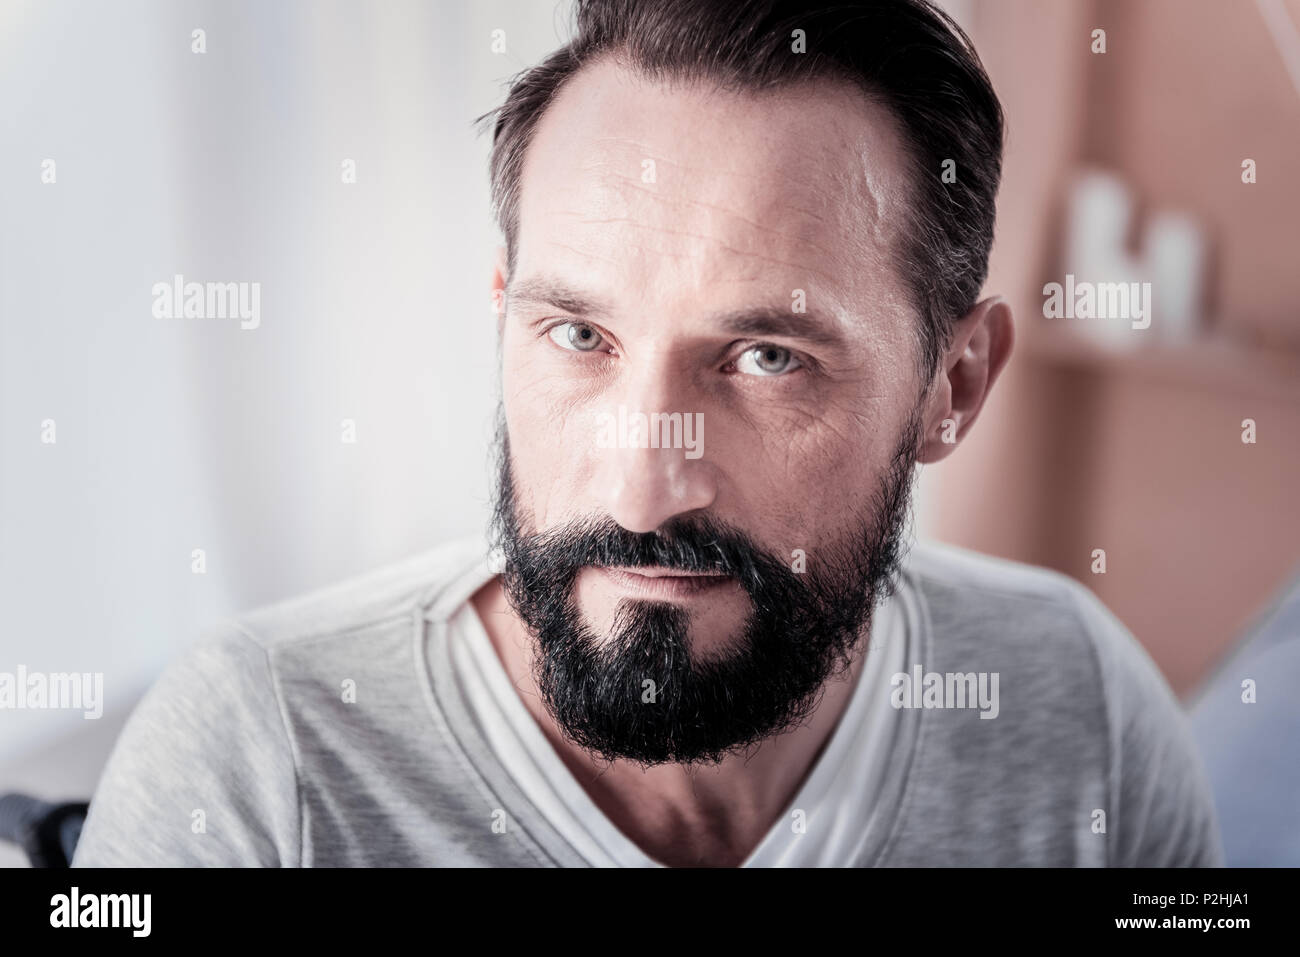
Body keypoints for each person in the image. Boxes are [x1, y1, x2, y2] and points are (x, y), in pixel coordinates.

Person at [72, 0, 1221, 867]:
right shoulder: (259, 759)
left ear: (952, 387)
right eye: (580, 336)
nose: (641, 491)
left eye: (767, 359)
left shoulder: (1077, 711)